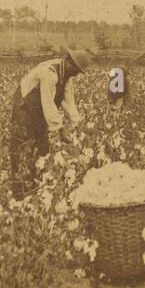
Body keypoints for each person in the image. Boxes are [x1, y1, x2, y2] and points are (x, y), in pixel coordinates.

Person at [9, 48, 92, 192]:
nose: (77, 73)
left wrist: (77, 123)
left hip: (39, 110)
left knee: (42, 148)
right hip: (24, 107)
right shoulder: (49, 73)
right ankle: (18, 188)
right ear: (68, 61)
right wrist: (60, 128)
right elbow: (48, 103)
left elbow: (68, 101)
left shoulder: (66, 75)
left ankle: (35, 184)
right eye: (77, 69)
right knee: (22, 146)